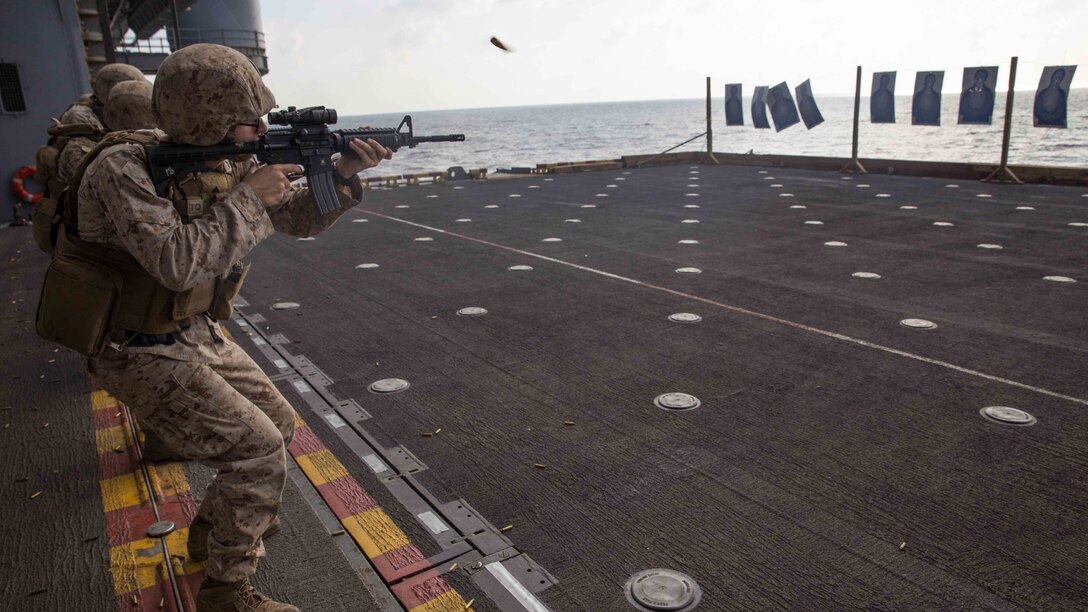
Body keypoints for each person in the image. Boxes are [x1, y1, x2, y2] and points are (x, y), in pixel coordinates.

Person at [71, 43, 391, 611]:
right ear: (206, 116)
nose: (260, 129)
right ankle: (224, 592)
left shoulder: (227, 156)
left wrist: (341, 174)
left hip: (193, 332)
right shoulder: (122, 168)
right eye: (247, 120)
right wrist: (248, 199)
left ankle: (211, 537)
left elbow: (295, 221)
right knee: (256, 450)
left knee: (279, 422)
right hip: (135, 346)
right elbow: (177, 261)